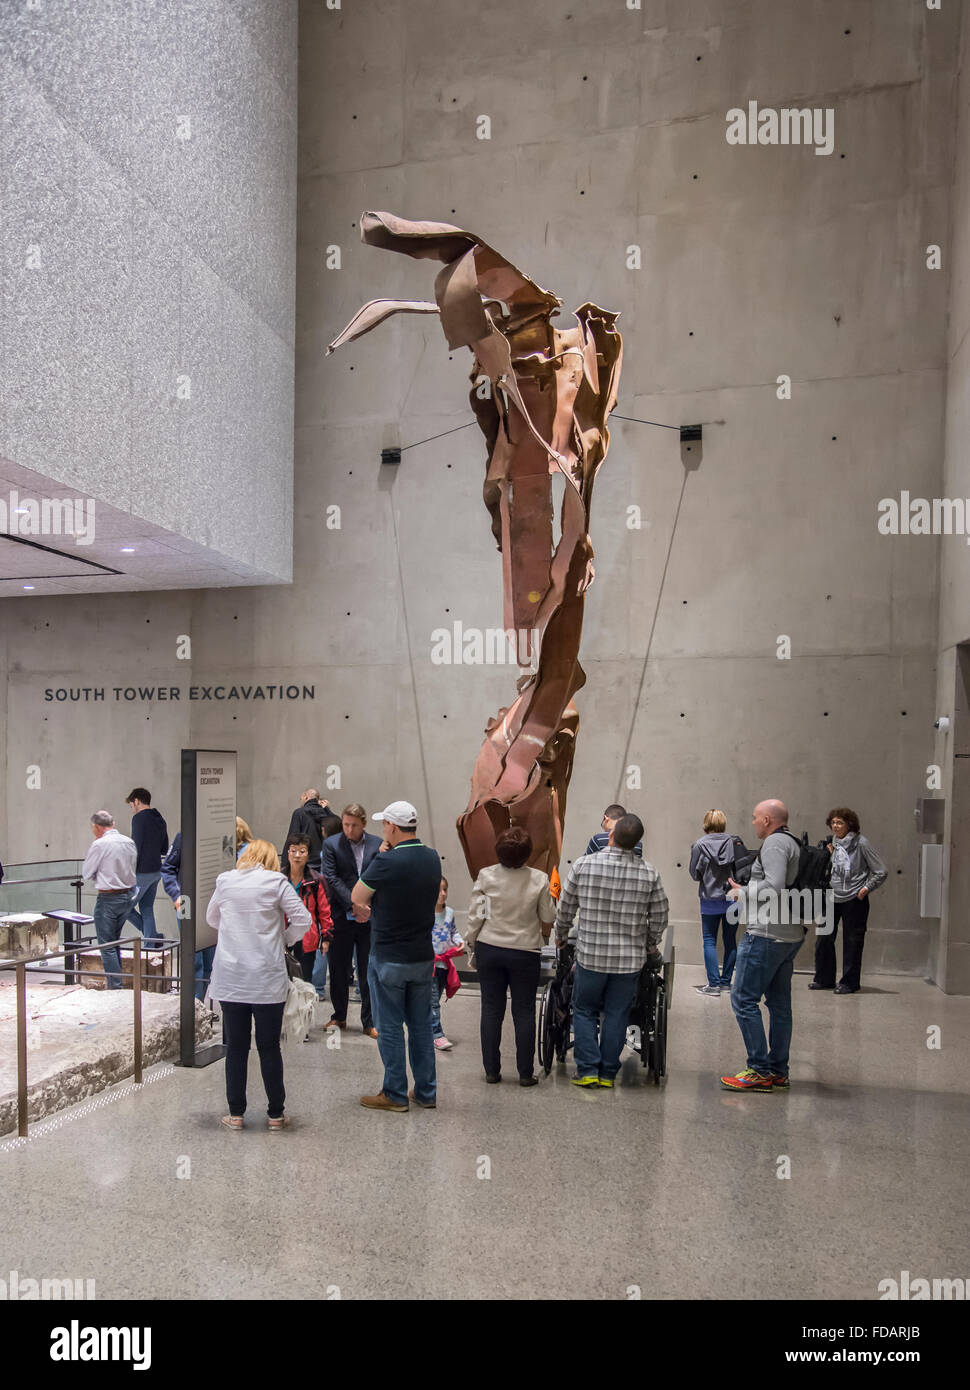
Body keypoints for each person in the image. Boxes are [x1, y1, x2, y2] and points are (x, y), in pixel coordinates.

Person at [556, 814, 668, 1088]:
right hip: (628, 962)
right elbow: (660, 915)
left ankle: (587, 1071)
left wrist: (561, 936)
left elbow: (566, 907)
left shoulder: (583, 865)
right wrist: (649, 942)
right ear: (637, 842)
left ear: (611, 835)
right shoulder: (649, 873)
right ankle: (607, 1073)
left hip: (591, 956)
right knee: (617, 1014)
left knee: (583, 1010)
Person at [206, 839, 311, 1132]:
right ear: (270, 858)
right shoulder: (276, 882)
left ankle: (236, 1115)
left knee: (236, 1047)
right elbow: (303, 919)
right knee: (269, 1047)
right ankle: (276, 1115)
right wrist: (284, 939)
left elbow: (211, 917)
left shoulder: (225, 881)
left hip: (232, 978)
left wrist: (235, 930)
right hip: (267, 978)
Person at [351, 801, 441, 1113]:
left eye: (383, 824)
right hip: (422, 956)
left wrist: (380, 857)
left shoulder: (386, 862)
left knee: (389, 1026)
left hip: (389, 955)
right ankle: (426, 1091)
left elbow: (357, 896)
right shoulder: (431, 858)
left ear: (391, 826)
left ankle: (395, 1093)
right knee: (421, 1025)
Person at [720, 798, 803, 1092]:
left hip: (766, 934)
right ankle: (778, 1070)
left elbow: (775, 884)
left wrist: (742, 892)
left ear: (768, 820)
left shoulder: (775, 844)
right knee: (779, 1006)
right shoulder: (792, 841)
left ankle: (758, 1070)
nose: (753, 821)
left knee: (743, 999)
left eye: (756, 817)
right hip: (787, 934)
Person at [465, 828, 556, 1085]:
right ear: (528, 854)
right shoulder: (539, 879)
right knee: (524, 1011)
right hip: (525, 952)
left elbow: (477, 916)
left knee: (491, 1009)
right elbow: (548, 917)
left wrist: (470, 942)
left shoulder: (486, 876)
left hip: (490, 949)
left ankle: (492, 1071)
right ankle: (526, 1074)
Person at [811, 807, 887, 994]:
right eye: (833, 823)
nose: (835, 826)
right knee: (824, 939)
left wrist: (866, 888)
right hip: (831, 896)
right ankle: (824, 979)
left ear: (849, 825)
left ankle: (849, 982)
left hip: (854, 898)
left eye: (840, 823)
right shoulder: (832, 844)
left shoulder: (861, 843)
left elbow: (880, 870)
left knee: (852, 942)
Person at [320, 803, 381, 1037]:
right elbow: (332, 879)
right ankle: (339, 1016)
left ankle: (369, 1021)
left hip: (370, 916)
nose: (349, 829)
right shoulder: (332, 844)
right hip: (342, 916)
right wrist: (354, 904)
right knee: (338, 969)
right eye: (346, 824)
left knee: (368, 970)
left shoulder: (376, 844)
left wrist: (365, 906)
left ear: (364, 824)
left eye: (354, 825)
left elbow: (379, 876)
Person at [82, 811, 137, 989]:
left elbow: (87, 872)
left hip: (109, 898)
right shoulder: (129, 841)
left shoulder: (99, 844)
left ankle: (115, 987)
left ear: (97, 827)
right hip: (128, 896)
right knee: (115, 942)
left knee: (107, 946)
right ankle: (116, 985)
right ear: (112, 824)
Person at [160, 831, 216, 1002]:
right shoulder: (184, 836)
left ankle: (198, 1006)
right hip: (186, 903)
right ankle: (192, 1007)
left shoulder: (218, 833)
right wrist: (177, 896)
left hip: (211, 904)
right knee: (194, 960)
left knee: (209, 961)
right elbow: (168, 868)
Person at [688, 809, 739, 996]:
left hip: (709, 899)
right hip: (732, 898)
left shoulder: (699, 845)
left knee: (709, 941)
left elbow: (694, 874)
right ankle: (726, 982)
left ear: (706, 823)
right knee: (730, 940)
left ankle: (713, 985)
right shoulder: (733, 842)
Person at [281, 834, 334, 983]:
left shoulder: (316, 879)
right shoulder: (279, 878)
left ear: (308, 854)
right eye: (293, 851)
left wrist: (326, 938)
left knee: (304, 983)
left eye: (302, 851)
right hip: (282, 937)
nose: (297, 855)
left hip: (307, 937)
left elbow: (325, 911)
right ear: (288, 852)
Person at [124, 788, 169, 948]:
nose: (132, 809)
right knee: (146, 907)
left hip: (142, 873)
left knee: (124, 907)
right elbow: (164, 848)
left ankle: (152, 939)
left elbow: (135, 847)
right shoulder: (160, 819)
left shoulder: (139, 819)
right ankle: (151, 943)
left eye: (131, 805)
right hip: (157, 870)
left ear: (136, 801)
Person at [430, 877, 463, 1050]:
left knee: (434, 999)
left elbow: (454, 932)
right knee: (433, 1001)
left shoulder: (449, 913)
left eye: (445, 889)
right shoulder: (424, 913)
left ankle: (425, 1028)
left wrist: (459, 941)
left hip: (444, 965)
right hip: (429, 966)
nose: (443, 894)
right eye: (439, 890)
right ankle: (437, 1034)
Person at [284, 788, 332, 870]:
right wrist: (328, 810)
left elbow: (292, 838)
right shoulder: (327, 814)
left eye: (301, 799)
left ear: (305, 797)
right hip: (324, 863)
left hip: (305, 863)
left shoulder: (299, 813)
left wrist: (285, 865)